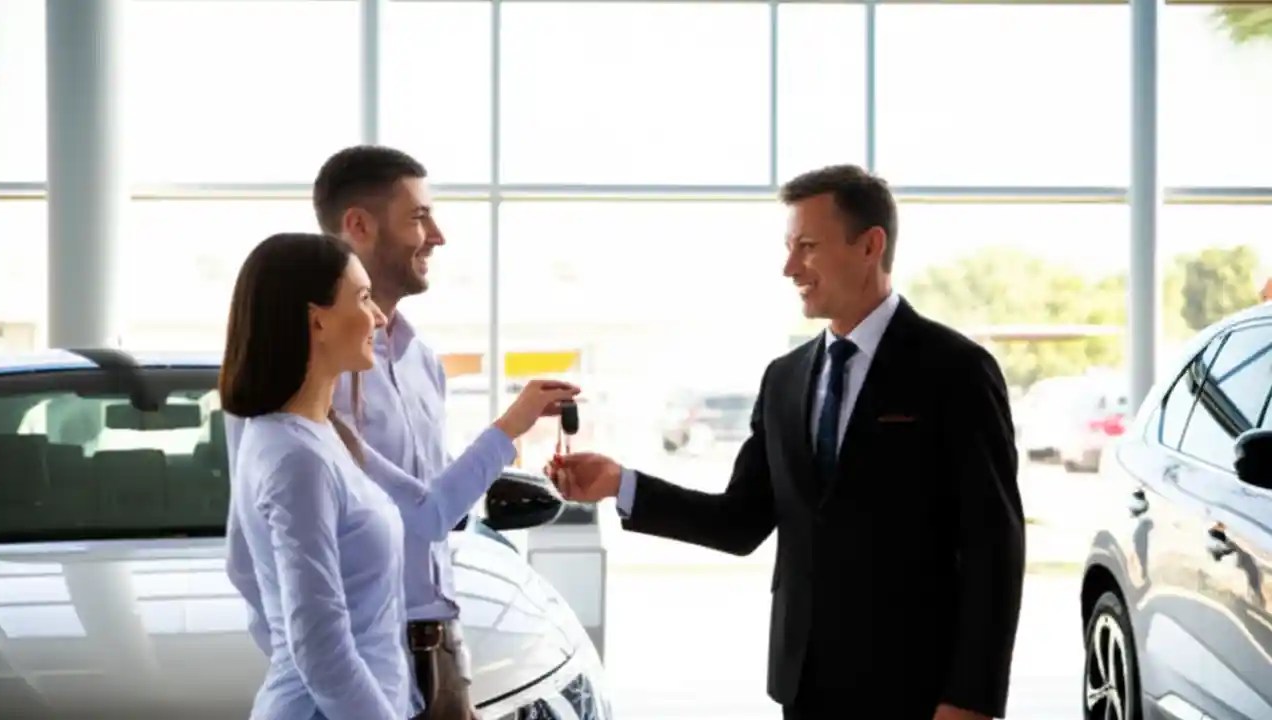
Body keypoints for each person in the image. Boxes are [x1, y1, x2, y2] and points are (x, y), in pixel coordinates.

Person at [549, 165, 1026, 720]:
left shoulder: (956, 369)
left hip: (919, 690)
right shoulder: (785, 379)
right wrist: (619, 484)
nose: (789, 267)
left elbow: (996, 547)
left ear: (870, 245)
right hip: (805, 687)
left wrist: (971, 700)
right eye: (788, 247)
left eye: (807, 247)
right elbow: (740, 521)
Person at [222, 233, 578, 720]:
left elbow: (429, 513)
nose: (380, 316)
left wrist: (514, 423)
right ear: (317, 319)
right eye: (363, 298)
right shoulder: (295, 456)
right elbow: (319, 648)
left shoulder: (325, 436)